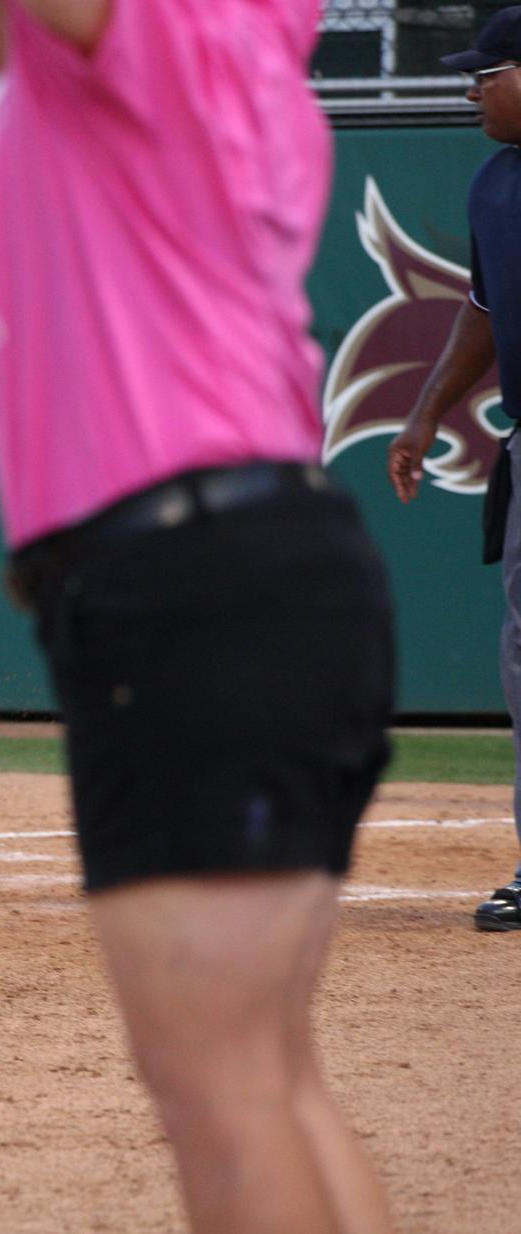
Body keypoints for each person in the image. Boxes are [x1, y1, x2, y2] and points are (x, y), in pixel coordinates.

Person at [0, 3, 402, 1234]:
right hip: (230, 573)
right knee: (264, 1071)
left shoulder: (165, 31)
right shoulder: (147, 58)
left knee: (224, 1092)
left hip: (187, 585)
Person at [386, 5, 521, 934]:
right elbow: (483, 307)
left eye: (489, 72)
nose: (471, 88)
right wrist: (425, 411)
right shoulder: (493, 187)